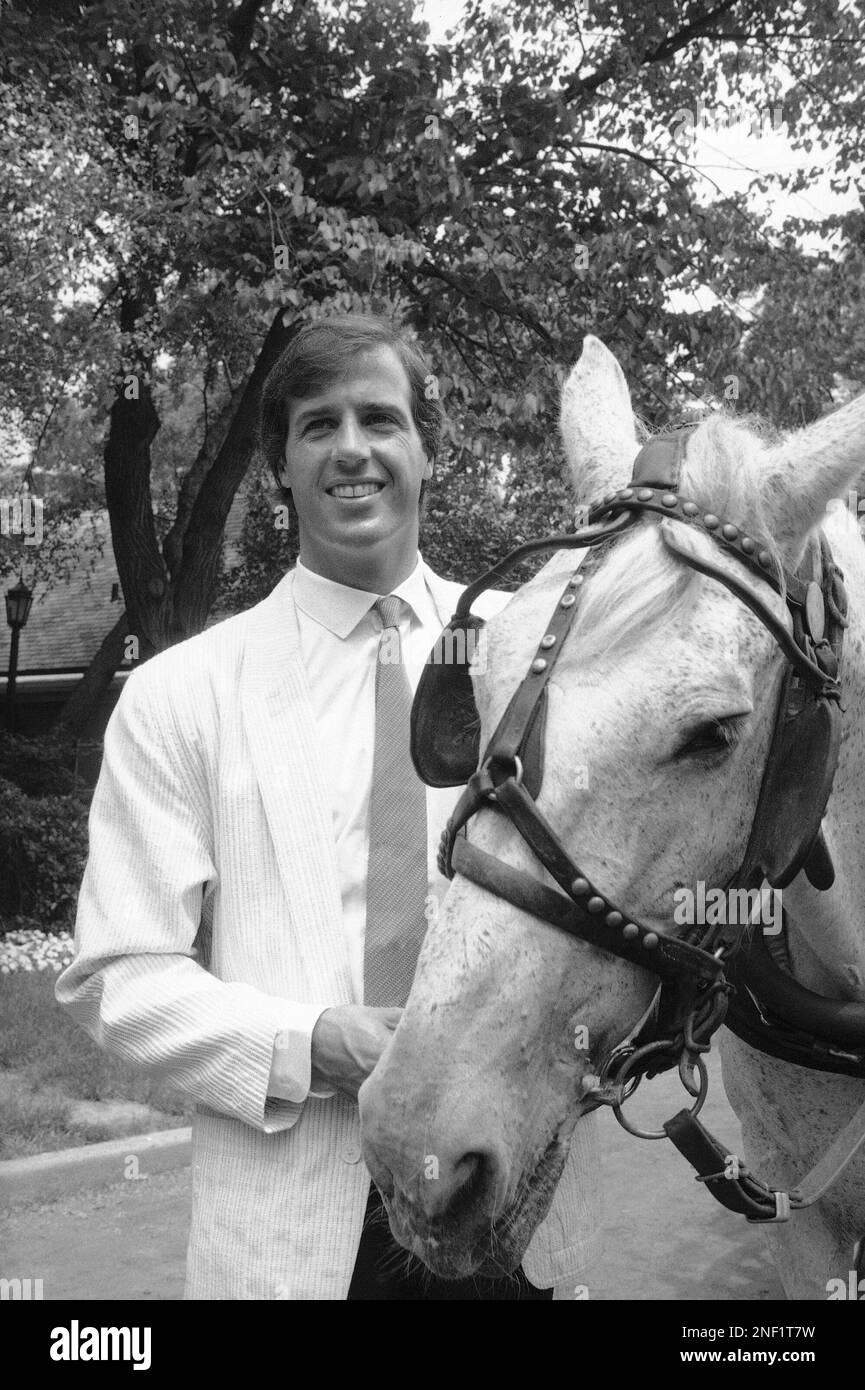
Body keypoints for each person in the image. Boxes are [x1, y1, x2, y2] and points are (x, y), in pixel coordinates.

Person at [57, 313, 602, 1300]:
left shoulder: (524, 666)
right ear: (280, 464)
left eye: (379, 419)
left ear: (429, 448)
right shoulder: (187, 695)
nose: (351, 448)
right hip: (289, 1241)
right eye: (318, 425)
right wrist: (313, 1044)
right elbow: (117, 979)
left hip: (504, 1215)